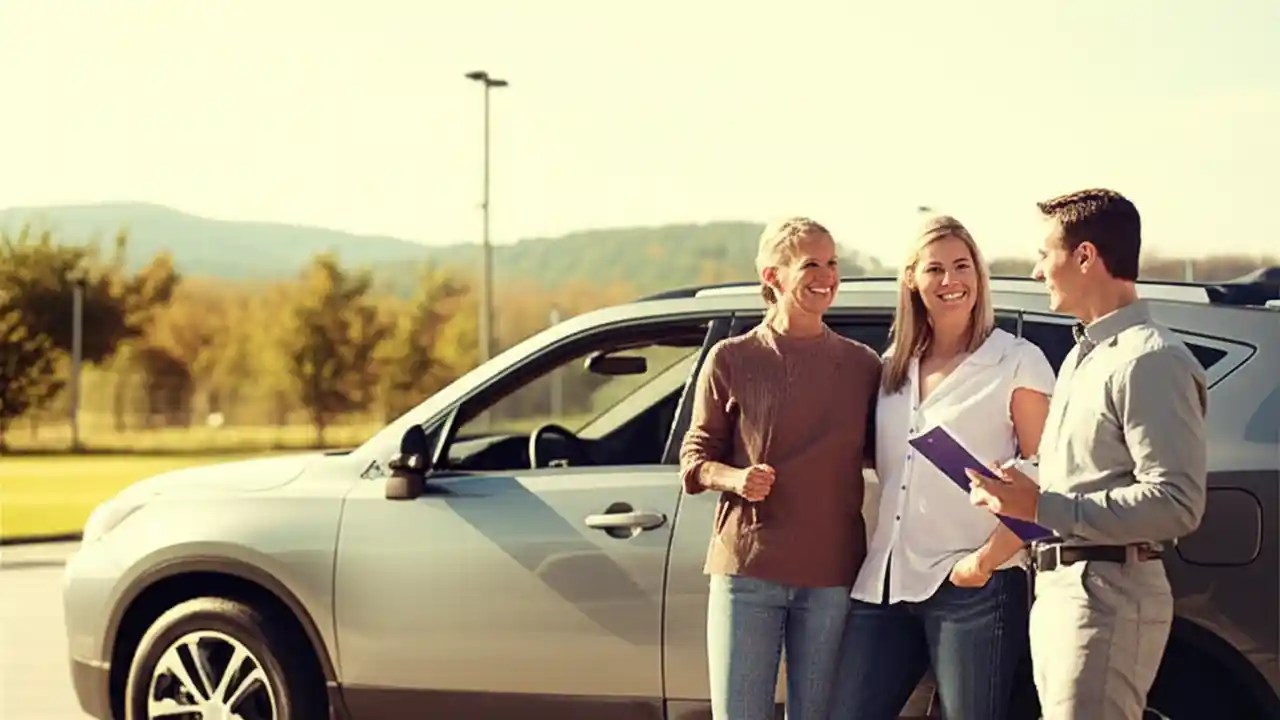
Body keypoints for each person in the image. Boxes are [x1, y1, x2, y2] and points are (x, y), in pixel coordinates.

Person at [967, 188, 1208, 720]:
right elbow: (1076, 481)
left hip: (1107, 597)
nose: (1035, 271)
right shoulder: (1084, 357)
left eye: (1042, 254)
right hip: (1060, 592)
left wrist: (1041, 508)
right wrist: (1019, 491)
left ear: (1084, 256)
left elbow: (1176, 503)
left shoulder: (1151, 359)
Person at [827, 215, 1054, 720]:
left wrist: (982, 564)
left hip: (973, 586)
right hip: (885, 585)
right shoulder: (892, 368)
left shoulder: (1018, 361)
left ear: (978, 274)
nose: (951, 281)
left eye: (962, 266)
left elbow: (1044, 476)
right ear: (912, 278)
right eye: (936, 269)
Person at [680, 216, 881, 720]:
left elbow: (893, 450)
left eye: (832, 263)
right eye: (811, 264)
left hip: (831, 573)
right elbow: (694, 458)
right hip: (748, 568)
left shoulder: (863, 366)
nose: (827, 276)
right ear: (773, 276)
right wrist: (735, 478)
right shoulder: (732, 358)